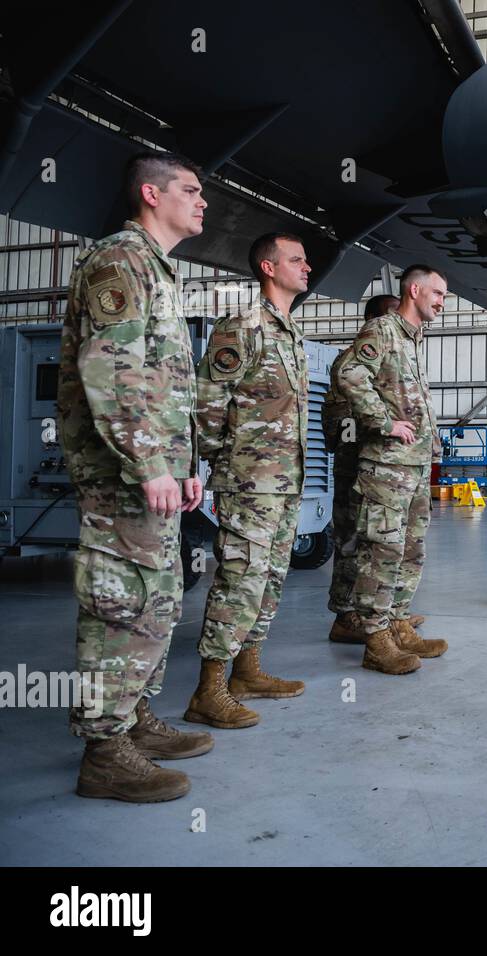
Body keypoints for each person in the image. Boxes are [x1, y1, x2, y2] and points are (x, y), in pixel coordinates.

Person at [57, 151, 212, 801]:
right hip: (121, 473)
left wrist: (184, 465)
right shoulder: (119, 261)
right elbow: (111, 371)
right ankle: (104, 750)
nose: (203, 202)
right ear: (152, 194)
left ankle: (135, 716)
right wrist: (149, 463)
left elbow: (166, 383)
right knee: (120, 603)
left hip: (154, 471)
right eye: (191, 190)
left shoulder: (157, 270)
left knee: (158, 601)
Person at [184, 233, 312, 729]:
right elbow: (208, 403)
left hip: (285, 480)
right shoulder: (241, 326)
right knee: (239, 579)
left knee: (270, 578)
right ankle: (208, 690)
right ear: (268, 267)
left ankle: (247, 671)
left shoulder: (290, 332)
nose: (307, 266)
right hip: (249, 482)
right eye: (296, 259)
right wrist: (223, 464)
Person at [336, 267, 449, 673]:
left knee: (411, 551)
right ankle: (376, 639)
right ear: (414, 290)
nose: (442, 301)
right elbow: (348, 373)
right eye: (437, 293)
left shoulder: (413, 338)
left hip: (414, 465)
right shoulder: (382, 330)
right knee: (381, 552)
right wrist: (383, 422)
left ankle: (398, 623)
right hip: (386, 467)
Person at [322, 294, 418, 643]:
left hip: (385, 467)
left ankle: (384, 613)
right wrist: (371, 436)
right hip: (356, 465)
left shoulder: (396, 355)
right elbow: (338, 417)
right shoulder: (355, 359)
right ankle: (345, 616)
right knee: (351, 540)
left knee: (385, 542)